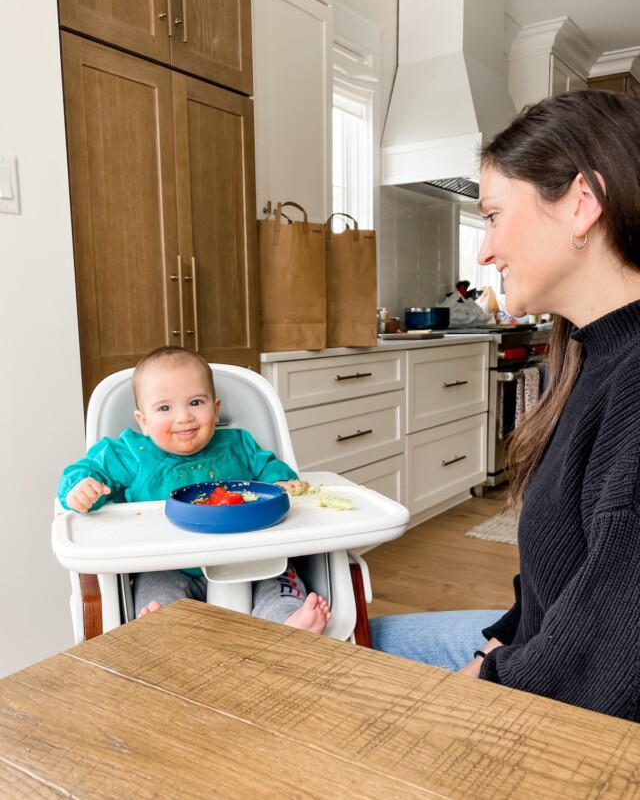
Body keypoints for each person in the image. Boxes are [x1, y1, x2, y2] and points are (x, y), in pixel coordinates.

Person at [370, 89, 640, 722]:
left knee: (340, 663)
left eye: (492, 216)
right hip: (537, 647)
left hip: (570, 710)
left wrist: (486, 678)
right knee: (348, 635)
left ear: (581, 203)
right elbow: (567, 580)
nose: (484, 252)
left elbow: (612, 662)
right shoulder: (591, 352)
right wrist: (499, 639)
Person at [58, 346, 331, 634]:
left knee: (278, 576)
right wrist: (81, 488)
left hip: (248, 556)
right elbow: (86, 470)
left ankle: (287, 622)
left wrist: (280, 482)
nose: (184, 417)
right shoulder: (129, 453)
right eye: (165, 408)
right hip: (167, 564)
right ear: (143, 421)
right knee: (154, 591)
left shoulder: (238, 444)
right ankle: (168, 630)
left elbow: (270, 468)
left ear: (215, 409)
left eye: (196, 402)